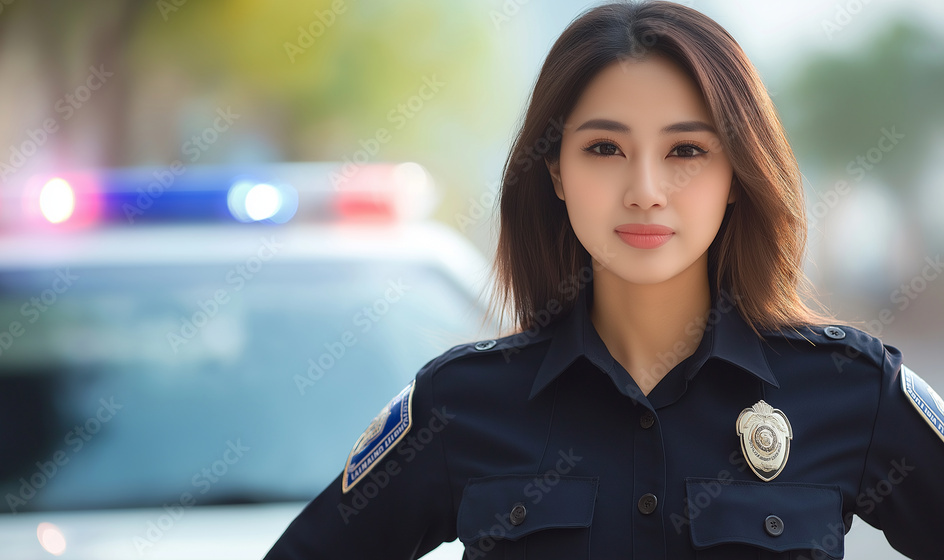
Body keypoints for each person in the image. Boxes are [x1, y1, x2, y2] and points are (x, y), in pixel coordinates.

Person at [262, 1, 944, 558]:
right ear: (555, 171)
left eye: (686, 150)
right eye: (604, 149)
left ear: (735, 174)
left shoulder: (850, 391)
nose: (645, 190)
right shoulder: (462, 405)